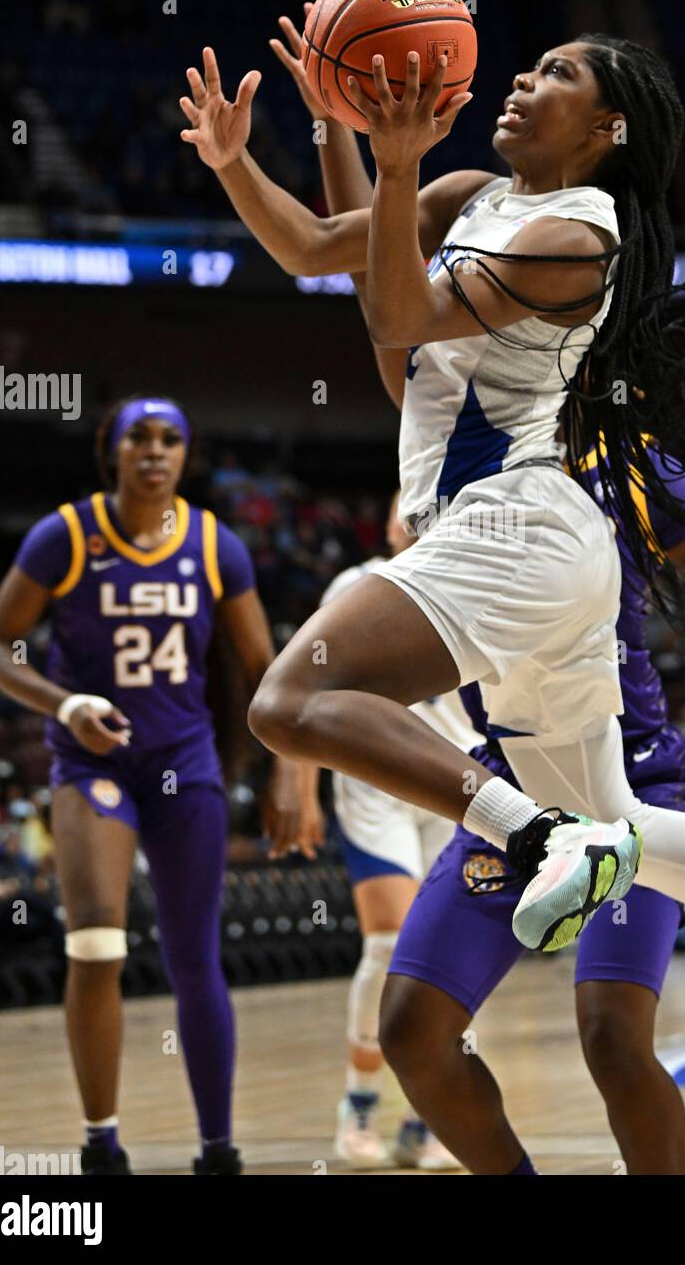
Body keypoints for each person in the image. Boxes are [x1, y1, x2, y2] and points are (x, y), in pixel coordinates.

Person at [179, 29, 685, 1101]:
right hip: (523, 550)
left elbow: (395, 306)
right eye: (526, 67)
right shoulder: (474, 194)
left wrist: (390, 164)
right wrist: (250, 155)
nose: (523, 80)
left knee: (292, 698)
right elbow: (320, 255)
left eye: (557, 75)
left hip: (519, 530)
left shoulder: (581, 230)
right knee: (617, 820)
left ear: (606, 129)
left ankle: (538, 837)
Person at [0, 397, 301, 1175]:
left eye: (170, 440)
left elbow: (268, 675)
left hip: (185, 764)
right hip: (92, 763)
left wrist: (294, 775)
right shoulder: (66, 535)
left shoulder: (216, 545)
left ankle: (218, 1151)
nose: (154, 452)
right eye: (139, 439)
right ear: (110, 450)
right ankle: (101, 1144)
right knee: (95, 944)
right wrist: (66, 704)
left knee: (196, 958)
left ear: (186, 455)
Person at [295, 493, 467, 1171]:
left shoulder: (479, 580)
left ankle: (426, 1116)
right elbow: (305, 684)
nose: (416, 513)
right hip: (374, 783)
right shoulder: (356, 585)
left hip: (455, 784)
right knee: (390, 943)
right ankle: (361, 1098)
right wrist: (300, 783)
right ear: (390, 519)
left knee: (446, 955)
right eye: (406, 503)